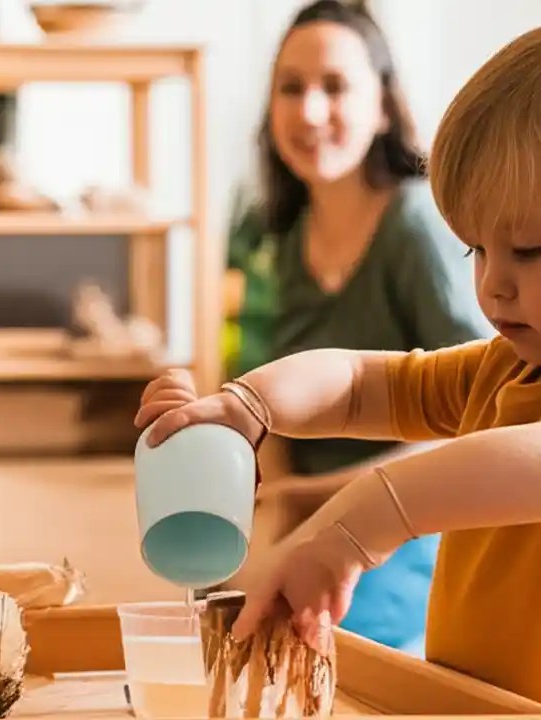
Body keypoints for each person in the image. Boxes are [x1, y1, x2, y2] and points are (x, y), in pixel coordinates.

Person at [137, 6, 541, 719]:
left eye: (529, 250)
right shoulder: (509, 368)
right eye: (476, 249)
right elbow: (358, 384)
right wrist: (249, 405)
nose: (492, 284)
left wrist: (360, 523)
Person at [221, 0, 492, 652]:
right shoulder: (269, 234)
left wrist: (316, 502)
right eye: (291, 88)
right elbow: (256, 398)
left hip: (412, 520)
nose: (310, 111)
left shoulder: (414, 228)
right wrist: (268, 522)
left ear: (382, 106)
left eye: (336, 86)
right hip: (302, 515)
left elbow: (483, 411)